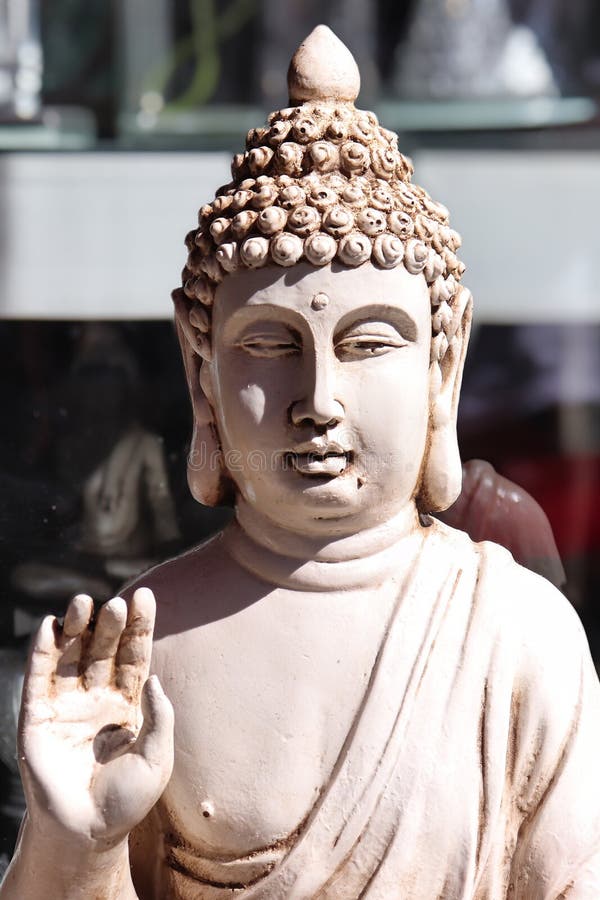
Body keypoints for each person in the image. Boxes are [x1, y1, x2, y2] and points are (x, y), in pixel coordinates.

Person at [2, 26, 599, 900]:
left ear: (444, 364)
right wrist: (77, 842)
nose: (318, 397)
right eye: (271, 344)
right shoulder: (147, 646)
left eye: (367, 343)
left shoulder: (517, 637)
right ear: (199, 371)